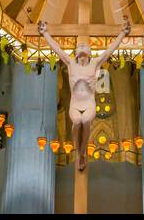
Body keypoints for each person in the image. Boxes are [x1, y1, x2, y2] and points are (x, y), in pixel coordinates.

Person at [37, 17, 130, 171]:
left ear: (88, 53)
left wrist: (122, 33)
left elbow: (109, 50)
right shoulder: (70, 63)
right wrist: (45, 33)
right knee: (77, 122)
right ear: (76, 53)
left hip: (89, 104)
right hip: (75, 104)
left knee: (85, 121)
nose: (81, 50)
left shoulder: (95, 63)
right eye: (79, 49)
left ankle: (82, 152)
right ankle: (79, 152)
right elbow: (57, 49)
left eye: (84, 49)